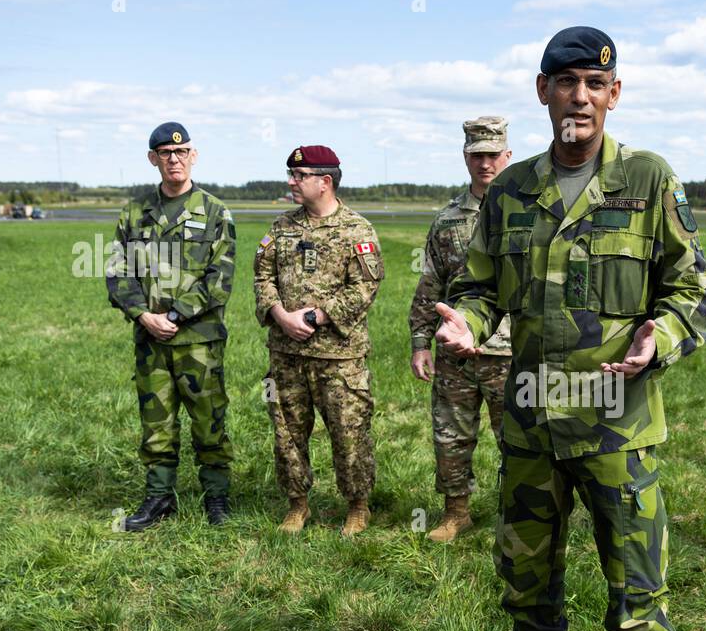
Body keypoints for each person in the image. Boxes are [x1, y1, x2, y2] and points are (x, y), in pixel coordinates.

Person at [434, 26, 706, 631]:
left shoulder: (648, 180)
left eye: (595, 85)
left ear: (613, 94)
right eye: (566, 84)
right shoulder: (514, 190)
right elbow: (478, 286)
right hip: (530, 423)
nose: (580, 98)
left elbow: (694, 288)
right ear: (543, 92)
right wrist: (463, 318)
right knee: (526, 573)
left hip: (616, 429)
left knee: (636, 585)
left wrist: (659, 335)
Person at [106, 121, 235, 531]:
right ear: (153, 159)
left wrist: (175, 316)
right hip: (151, 341)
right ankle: (159, 499)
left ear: (193, 156)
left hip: (198, 341)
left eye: (181, 152)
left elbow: (220, 278)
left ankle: (216, 498)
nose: (174, 159)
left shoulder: (215, 212)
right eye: (165, 153)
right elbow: (116, 272)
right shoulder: (133, 214)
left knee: (209, 421)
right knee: (156, 424)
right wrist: (145, 316)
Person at [253, 146, 384, 536]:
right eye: (291, 175)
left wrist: (316, 316)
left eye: (299, 176)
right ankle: (297, 505)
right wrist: (279, 314)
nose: (291, 182)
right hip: (286, 354)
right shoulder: (281, 228)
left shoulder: (357, 230)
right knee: (287, 431)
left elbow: (366, 286)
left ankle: (358, 506)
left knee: (349, 431)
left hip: (338, 357)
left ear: (324, 182)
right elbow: (262, 277)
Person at [408, 117, 513, 542]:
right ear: (465, 158)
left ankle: (517, 515)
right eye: (476, 155)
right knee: (451, 438)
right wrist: (420, 341)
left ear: (508, 156)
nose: (485, 163)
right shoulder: (448, 219)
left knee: (518, 442)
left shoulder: (528, 213)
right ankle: (456, 513)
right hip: (454, 351)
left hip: (510, 351)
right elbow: (429, 283)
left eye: (492, 155)